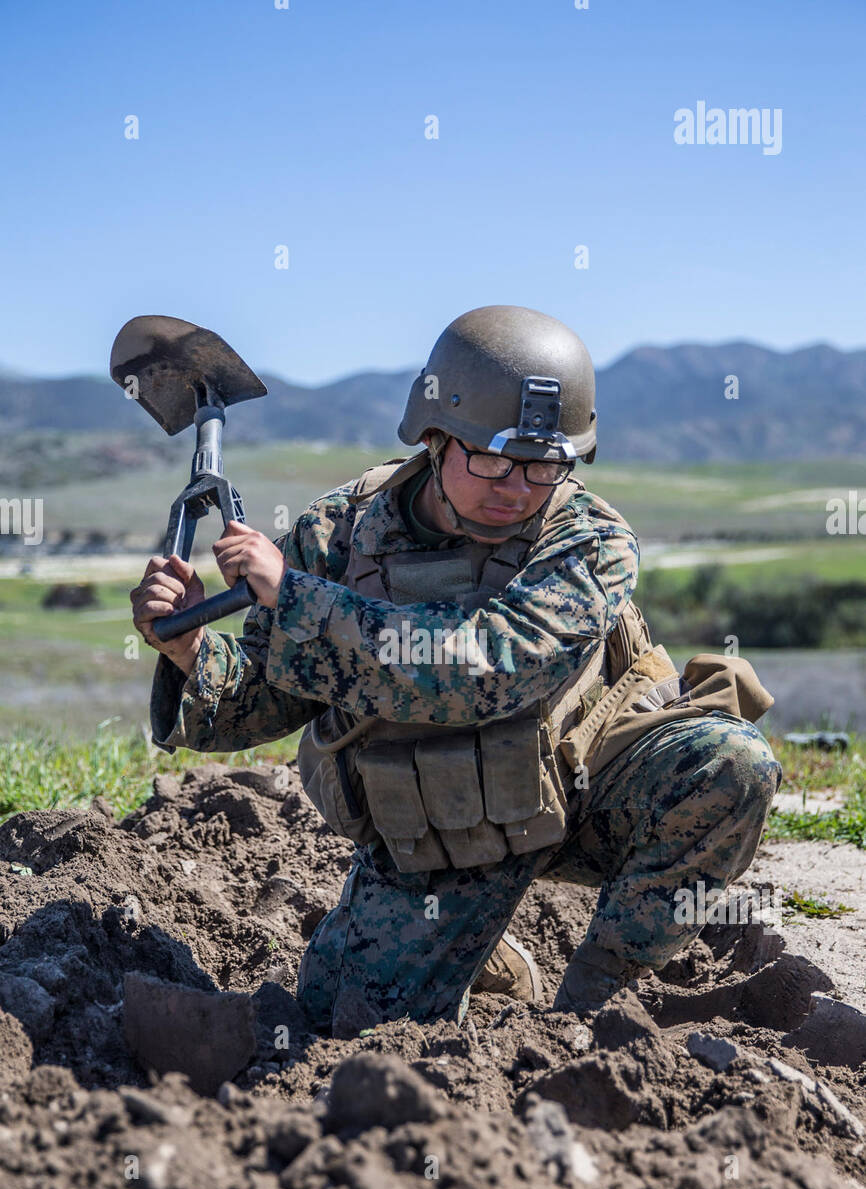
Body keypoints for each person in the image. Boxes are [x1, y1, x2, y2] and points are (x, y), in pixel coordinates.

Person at [130, 305, 781, 1038]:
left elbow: (490, 669)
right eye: (494, 459)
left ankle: (589, 1010)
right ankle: (483, 951)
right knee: (347, 1026)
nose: (517, 485)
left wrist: (301, 600)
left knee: (733, 764)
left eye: (544, 464)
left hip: (590, 787)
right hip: (446, 827)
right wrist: (189, 652)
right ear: (436, 439)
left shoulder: (591, 540)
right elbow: (257, 701)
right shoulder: (339, 534)